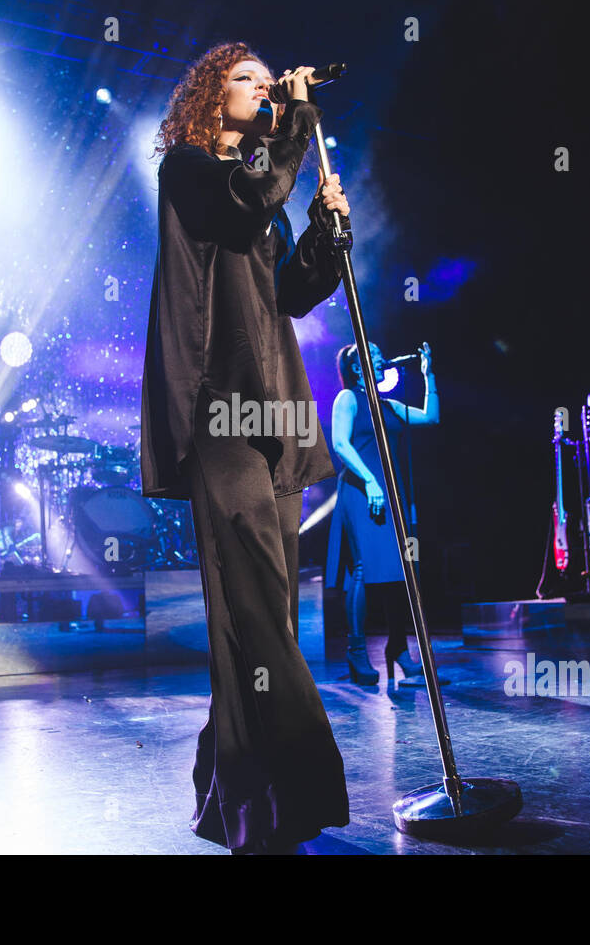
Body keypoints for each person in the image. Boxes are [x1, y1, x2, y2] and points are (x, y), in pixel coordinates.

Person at [140, 42, 350, 854]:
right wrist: (295, 121)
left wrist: (327, 235)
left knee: (263, 619)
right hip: (218, 418)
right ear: (209, 93)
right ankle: (290, 794)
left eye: (270, 81)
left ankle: (233, 793)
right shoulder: (190, 171)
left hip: (278, 417)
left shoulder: (266, 180)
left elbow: (290, 294)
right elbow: (244, 200)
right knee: (255, 604)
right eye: (247, 79)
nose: (264, 88)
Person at [326, 341, 438, 686]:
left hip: (391, 493)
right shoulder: (348, 399)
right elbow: (340, 443)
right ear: (358, 367)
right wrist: (371, 481)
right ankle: (356, 651)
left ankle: (399, 649)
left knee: (398, 572)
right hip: (362, 490)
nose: (381, 358)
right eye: (373, 355)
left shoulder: (386, 404)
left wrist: (427, 374)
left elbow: (430, 416)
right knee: (364, 568)